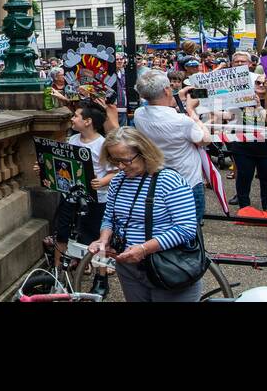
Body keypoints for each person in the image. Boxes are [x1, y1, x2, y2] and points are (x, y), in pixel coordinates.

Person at [89, 128, 202, 302]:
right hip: (129, 267)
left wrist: (144, 248)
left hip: (168, 265)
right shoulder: (118, 181)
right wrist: (103, 240)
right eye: (114, 160)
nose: (119, 167)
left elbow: (186, 228)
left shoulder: (169, 181)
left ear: (144, 153)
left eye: (125, 161)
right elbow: (109, 217)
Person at [47, 101, 115, 299]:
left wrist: (102, 181)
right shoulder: (73, 140)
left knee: (98, 239)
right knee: (62, 232)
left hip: (97, 200)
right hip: (71, 196)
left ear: (88, 121)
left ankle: (101, 278)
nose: (72, 119)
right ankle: (58, 275)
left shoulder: (103, 145)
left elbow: (116, 172)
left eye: (76, 116)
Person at [127, 69, 209, 217]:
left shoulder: (139, 114)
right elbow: (204, 140)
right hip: (187, 181)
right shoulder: (182, 121)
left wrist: (177, 97)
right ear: (166, 90)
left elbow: (160, 110)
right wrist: (191, 110)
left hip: (158, 180)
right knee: (190, 229)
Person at [228, 70, 267, 213]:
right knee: (244, 177)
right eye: (258, 82)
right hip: (243, 148)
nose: (261, 85)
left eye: (265, 83)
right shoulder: (241, 100)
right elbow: (228, 114)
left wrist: (263, 101)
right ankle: (244, 207)